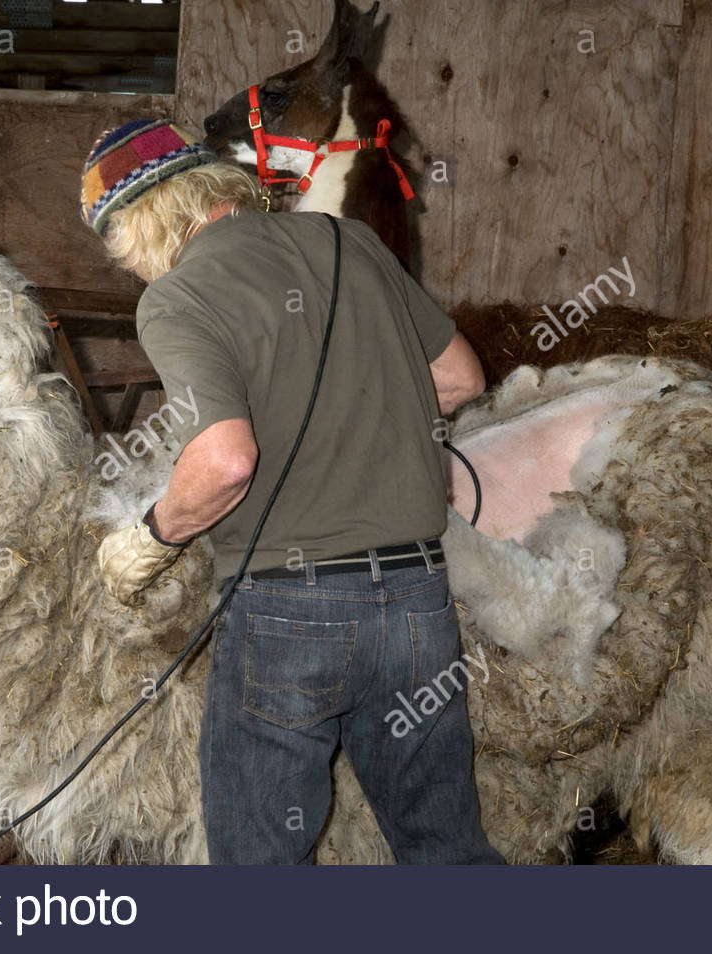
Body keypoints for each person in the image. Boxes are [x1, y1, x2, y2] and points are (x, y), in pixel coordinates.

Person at [82, 119, 503, 865]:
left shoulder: (178, 297)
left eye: (122, 250)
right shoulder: (351, 244)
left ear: (141, 225)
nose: (133, 269)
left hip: (290, 612)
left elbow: (225, 462)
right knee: (448, 854)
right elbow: (461, 378)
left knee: (261, 870)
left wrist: (151, 535)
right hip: (416, 601)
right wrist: (359, 411)